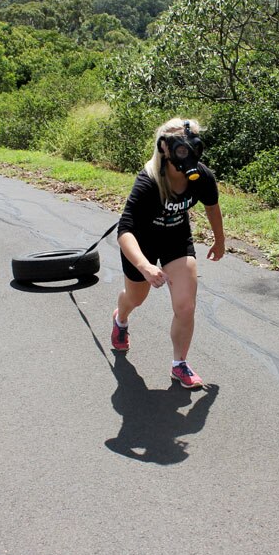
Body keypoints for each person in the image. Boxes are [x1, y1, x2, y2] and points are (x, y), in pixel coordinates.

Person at [111, 117, 225, 389]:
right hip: (142, 244)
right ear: (165, 148)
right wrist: (144, 266)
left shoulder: (201, 176)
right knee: (136, 298)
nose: (188, 153)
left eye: (193, 146)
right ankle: (120, 318)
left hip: (176, 240)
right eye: (181, 148)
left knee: (185, 306)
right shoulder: (148, 182)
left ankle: (180, 364)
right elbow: (124, 231)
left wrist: (220, 240)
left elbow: (212, 205)